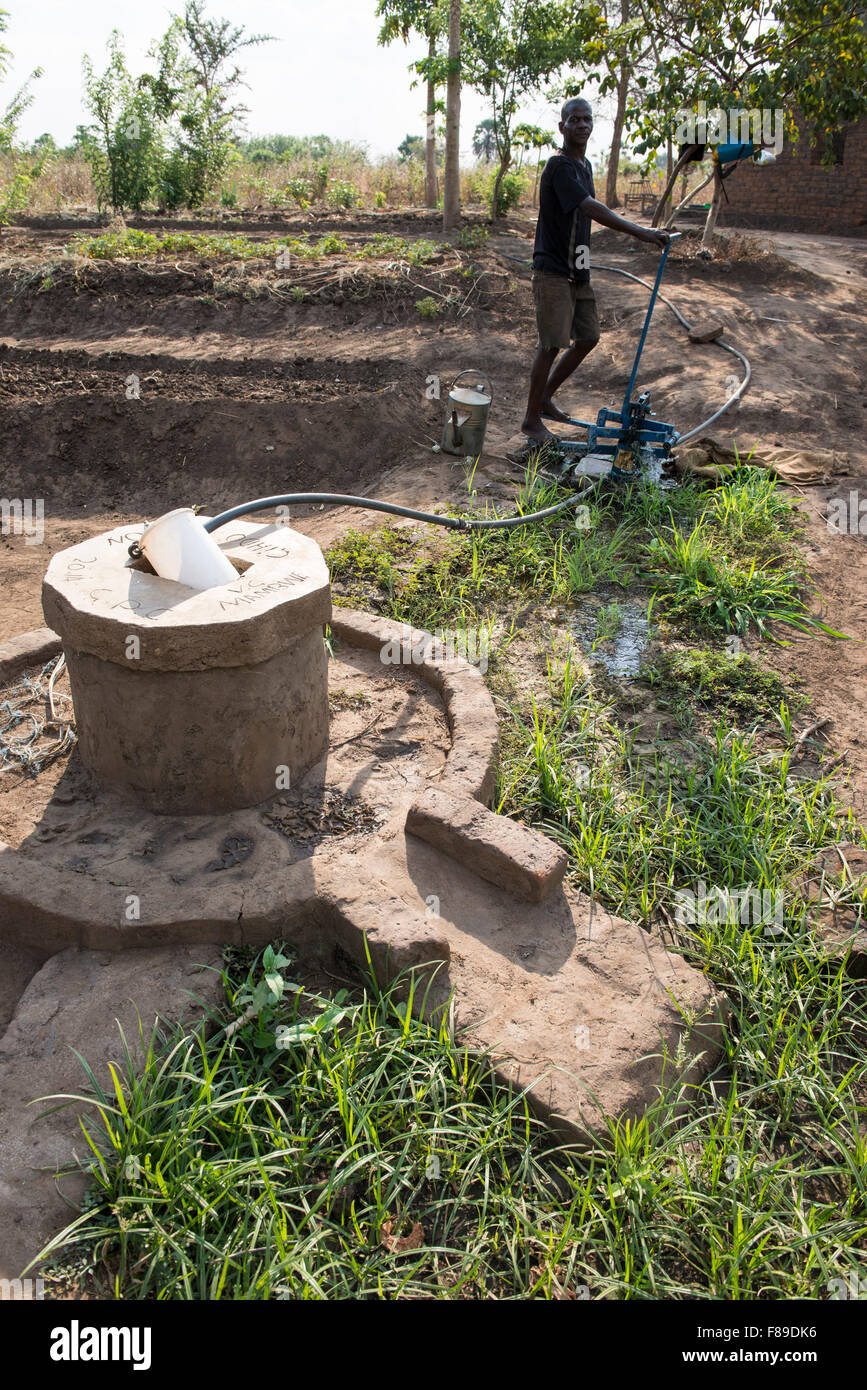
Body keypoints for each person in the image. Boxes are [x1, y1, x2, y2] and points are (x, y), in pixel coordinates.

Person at [521, 96, 670, 443]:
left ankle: (545, 397)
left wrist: (584, 269)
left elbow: (584, 221)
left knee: (587, 337)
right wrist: (643, 233)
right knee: (550, 344)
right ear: (563, 127)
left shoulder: (584, 166)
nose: (582, 125)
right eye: (575, 120)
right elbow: (590, 208)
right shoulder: (559, 166)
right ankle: (530, 420)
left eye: (587, 119)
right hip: (553, 269)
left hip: (577, 270)